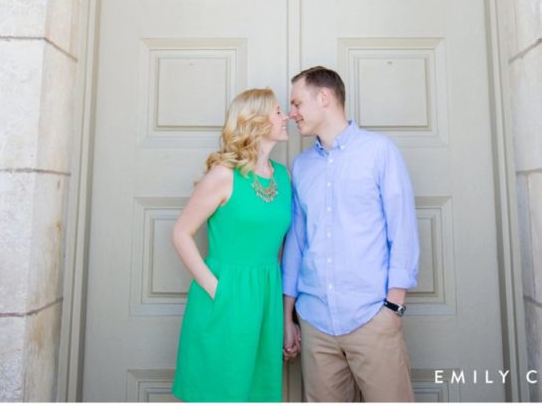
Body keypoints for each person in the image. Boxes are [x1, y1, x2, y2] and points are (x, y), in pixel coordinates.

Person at [282, 66, 420, 403]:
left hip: (372, 318)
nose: (291, 113)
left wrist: (393, 308)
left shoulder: (379, 152)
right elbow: (297, 243)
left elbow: (402, 230)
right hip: (316, 324)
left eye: (298, 103)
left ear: (324, 98)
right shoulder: (301, 167)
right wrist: (288, 316)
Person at [172, 87, 292, 402]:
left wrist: (282, 309)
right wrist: (218, 289)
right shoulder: (224, 175)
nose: (287, 116)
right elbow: (181, 233)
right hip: (225, 295)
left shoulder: (282, 176)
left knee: (256, 391)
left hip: (266, 296)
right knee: (218, 388)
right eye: (278, 111)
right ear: (256, 121)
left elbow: (278, 243)